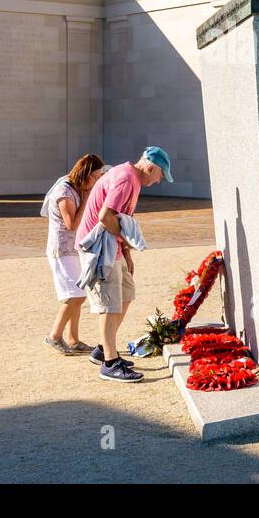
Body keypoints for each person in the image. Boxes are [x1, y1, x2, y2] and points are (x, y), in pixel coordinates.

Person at [78, 147, 173, 383]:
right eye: (161, 175)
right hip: (100, 248)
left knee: (125, 296)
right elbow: (106, 217)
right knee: (110, 304)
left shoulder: (132, 178)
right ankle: (109, 364)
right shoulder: (126, 178)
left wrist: (127, 252)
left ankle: (102, 349)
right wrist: (126, 239)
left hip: (113, 247)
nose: (160, 180)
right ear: (151, 167)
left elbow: (121, 218)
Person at [42, 153, 106, 355]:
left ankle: (72, 339)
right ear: (86, 173)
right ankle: (54, 336)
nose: (97, 181)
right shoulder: (64, 190)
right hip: (61, 250)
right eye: (95, 177)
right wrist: (88, 197)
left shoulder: (77, 189)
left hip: (73, 249)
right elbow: (72, 224)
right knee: (74, 295)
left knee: (79, 295)